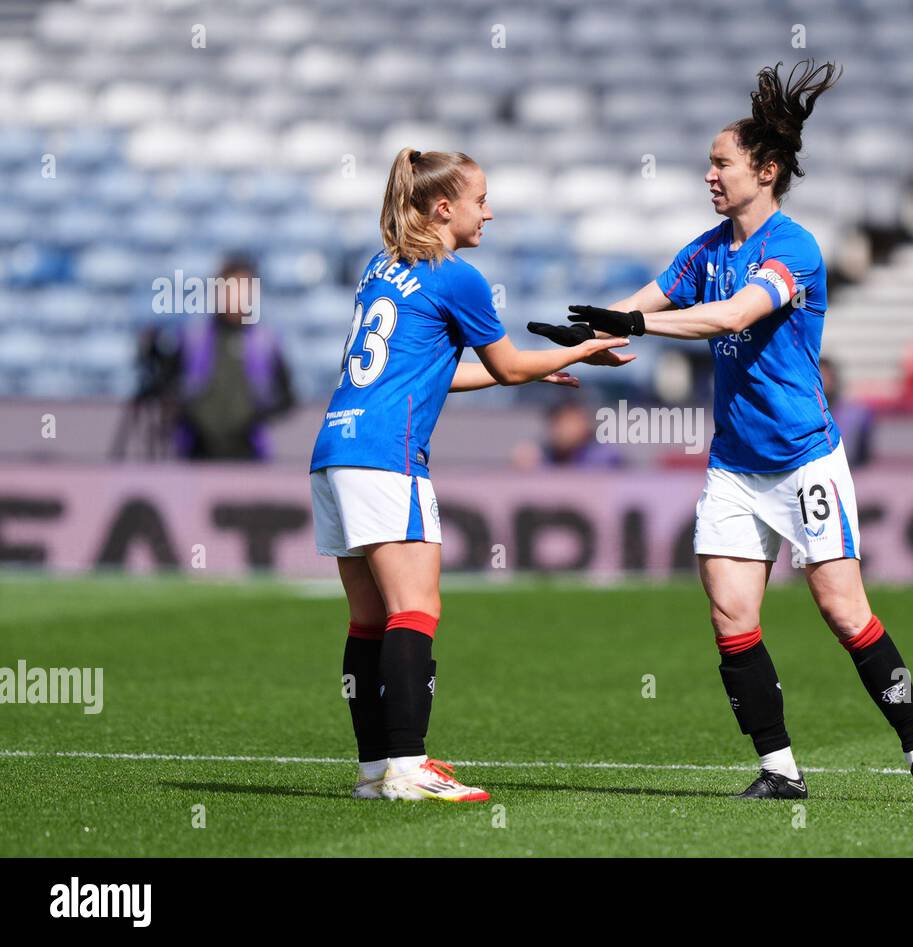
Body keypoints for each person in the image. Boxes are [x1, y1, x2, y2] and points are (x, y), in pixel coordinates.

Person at [530, 60, 913, 803]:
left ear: (766, 169)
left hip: (802, 460)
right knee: (731, 612)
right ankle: (781, 769)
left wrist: (634, 324)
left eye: (720, 163)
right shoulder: (706, 249)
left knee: (842, 610)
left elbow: (729, 317)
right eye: (707, 164)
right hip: (733, 464)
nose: (708, 176)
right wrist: (573, 344)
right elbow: (644, 301)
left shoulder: (794, 249)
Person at [310, 148, 632, 802]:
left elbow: (436, 370)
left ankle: (376, 770)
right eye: (480, 199)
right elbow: (510, 366)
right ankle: (408, 766)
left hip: (335, 447)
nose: (490, 211)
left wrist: (543, 366)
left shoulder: (383, 265)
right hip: (384, 455)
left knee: (368, 619)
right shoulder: (458, 276)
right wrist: (576, 351)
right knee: (417, 608)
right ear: (444, 207)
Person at [175, 257, 295, 460]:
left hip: (249, 454)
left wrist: (254, 418)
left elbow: (287, 396)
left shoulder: (265, 341)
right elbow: (172, 388)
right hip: (197, 452)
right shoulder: (193, 337)